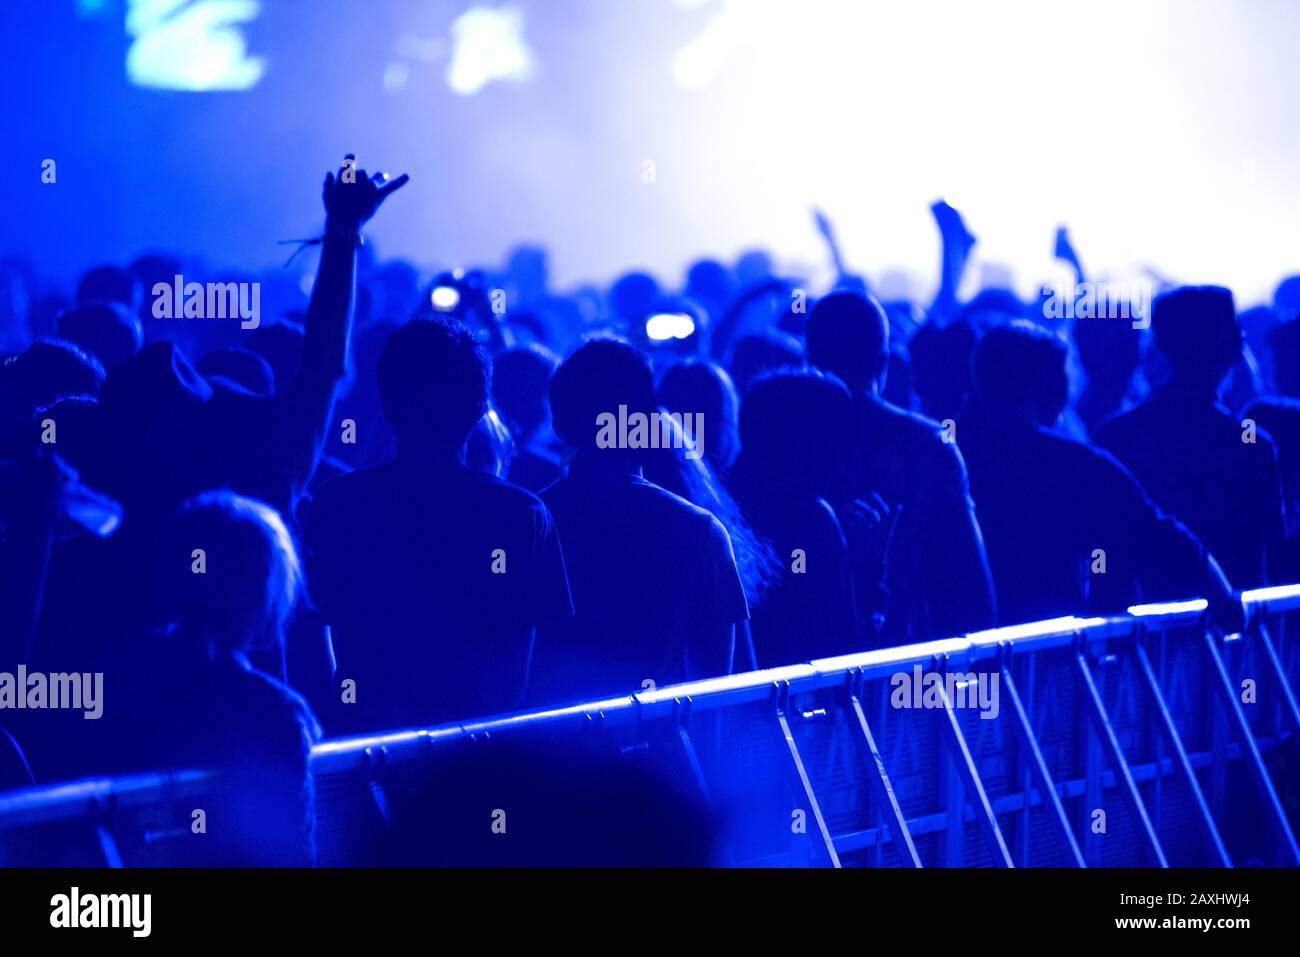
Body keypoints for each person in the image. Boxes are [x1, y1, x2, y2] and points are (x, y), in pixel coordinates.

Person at [300, 316, 573, 732]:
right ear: (482, 407)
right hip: (474, 758)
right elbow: (523, 669)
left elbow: (313, 632)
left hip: (360, 744)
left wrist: (335, 725)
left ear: (387, 404)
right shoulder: (520, 515)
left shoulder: (336, 502)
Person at [961, 320, 1243, 628]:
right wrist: (1228, 603)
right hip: (1053, 657)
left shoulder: (952, 461)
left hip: (955, 660)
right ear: (1051, 388)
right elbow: (1162, 539)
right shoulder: (1077, 464)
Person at [531, 337, 750, 703]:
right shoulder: (700, 531)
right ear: (650, 419)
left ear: (558, 426)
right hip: (661, 755)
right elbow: (717, 695)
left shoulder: (528, 524)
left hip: (541, 753)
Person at [806, 291, 996, 644]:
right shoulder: (927, 445)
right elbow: (973, 593)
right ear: (883, 362)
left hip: (797, 671)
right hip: (910, 667)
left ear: (809, 359)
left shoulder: (782, 439)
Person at [1096, 286, 1286, 589]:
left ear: (1161, 345)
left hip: (1140, 627)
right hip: (1230, 627)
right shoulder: (1252, 445)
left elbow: (1101, 550)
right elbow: (1264, 564)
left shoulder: (1117, 435)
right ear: (1233, 350)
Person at [729, 369, 863, 664]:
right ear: (808, 446)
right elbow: (842, 644)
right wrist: (871, 563)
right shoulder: (812, 520)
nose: (848, 458)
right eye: (836, 440)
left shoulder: (716, 499)